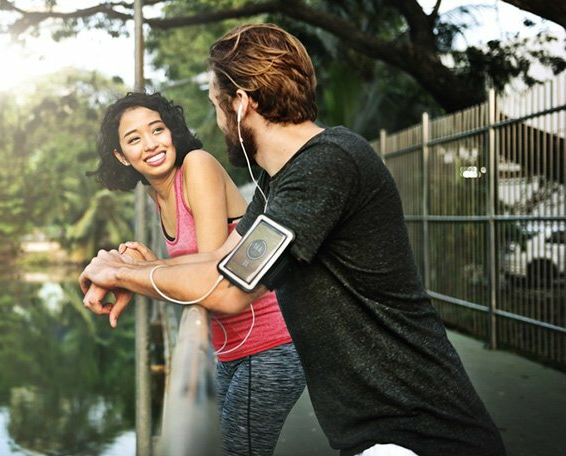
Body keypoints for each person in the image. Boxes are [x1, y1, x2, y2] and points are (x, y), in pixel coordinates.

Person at [80, 23, 506, 456]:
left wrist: (119, 272)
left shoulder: (324, 167)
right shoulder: (277, 180)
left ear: (241, 104)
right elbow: (223, 261)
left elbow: (227, 290)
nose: (217, 119)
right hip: (377, 433)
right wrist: (129, 271)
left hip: (419, 435)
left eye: (217, 105)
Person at [87, 92, 306, 455]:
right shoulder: (156, 196)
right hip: (229, 349)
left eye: (157, 129)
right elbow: (190, 268)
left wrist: (131, 273)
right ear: (121, 156)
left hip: (271, 345)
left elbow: (212, 272)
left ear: (172, 131)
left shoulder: (197, 166)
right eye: (134, 138)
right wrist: (141, 269)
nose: (151, 143)